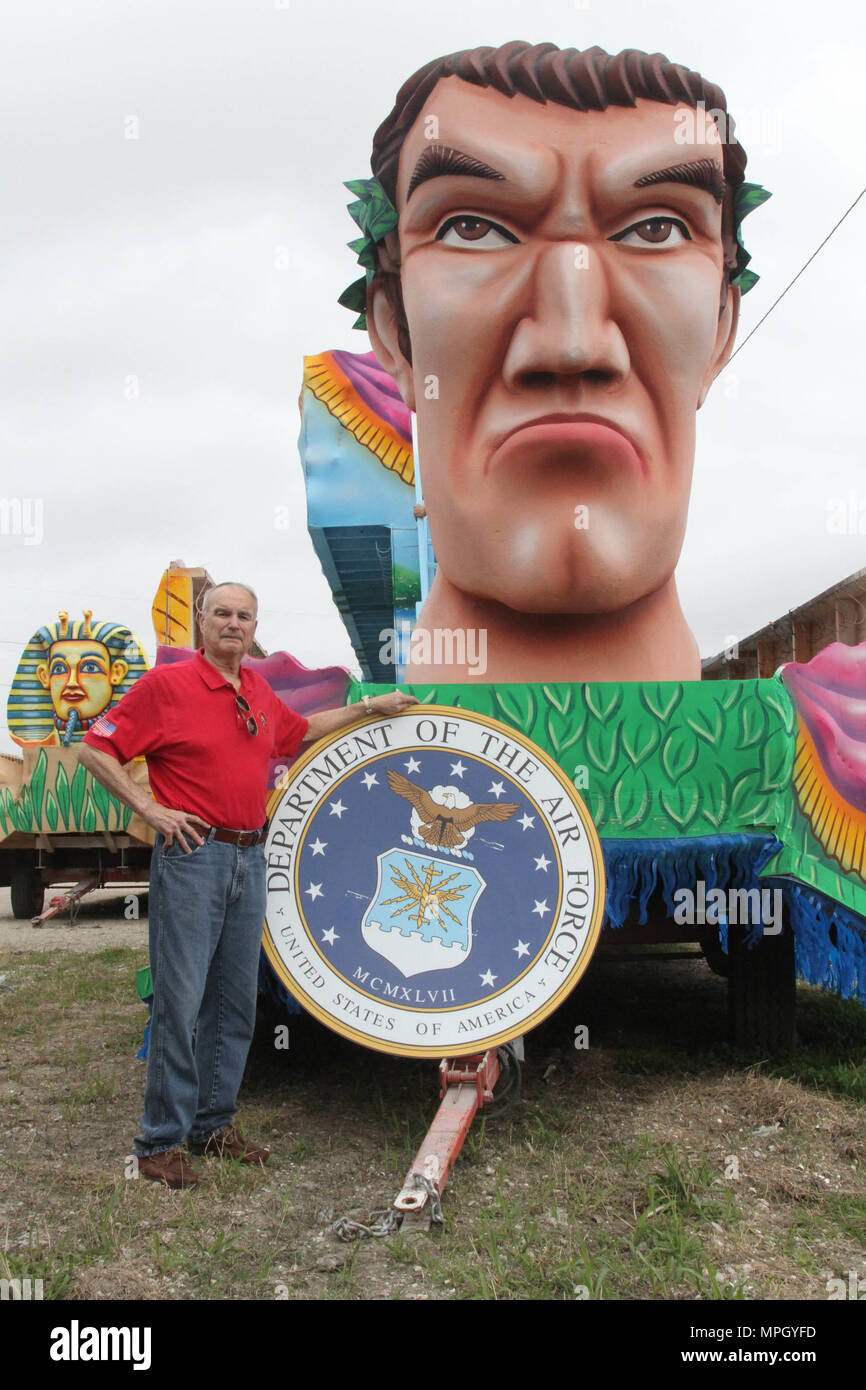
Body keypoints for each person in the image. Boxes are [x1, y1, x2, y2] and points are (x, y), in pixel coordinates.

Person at [350, 42, 768, 683]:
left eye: (656, 229)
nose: (572, 346)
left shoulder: (826, 766)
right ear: (391, 330)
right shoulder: (313, 771)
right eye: (473, 228)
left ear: (719, 329)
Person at [78, 582, 417, 1187]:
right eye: (222, 614)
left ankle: (212, 1126)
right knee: (180, 1002)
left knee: (233, 1002)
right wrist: (149, 808)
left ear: (254, 626)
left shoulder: (255, 690)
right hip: (193, 856)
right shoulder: (165, 687)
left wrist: (370, 707)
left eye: (244, 615)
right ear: (202, 622)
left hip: (249, 857)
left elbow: (300, 732)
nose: (233, 624)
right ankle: (159, 1143)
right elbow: (96, 749)